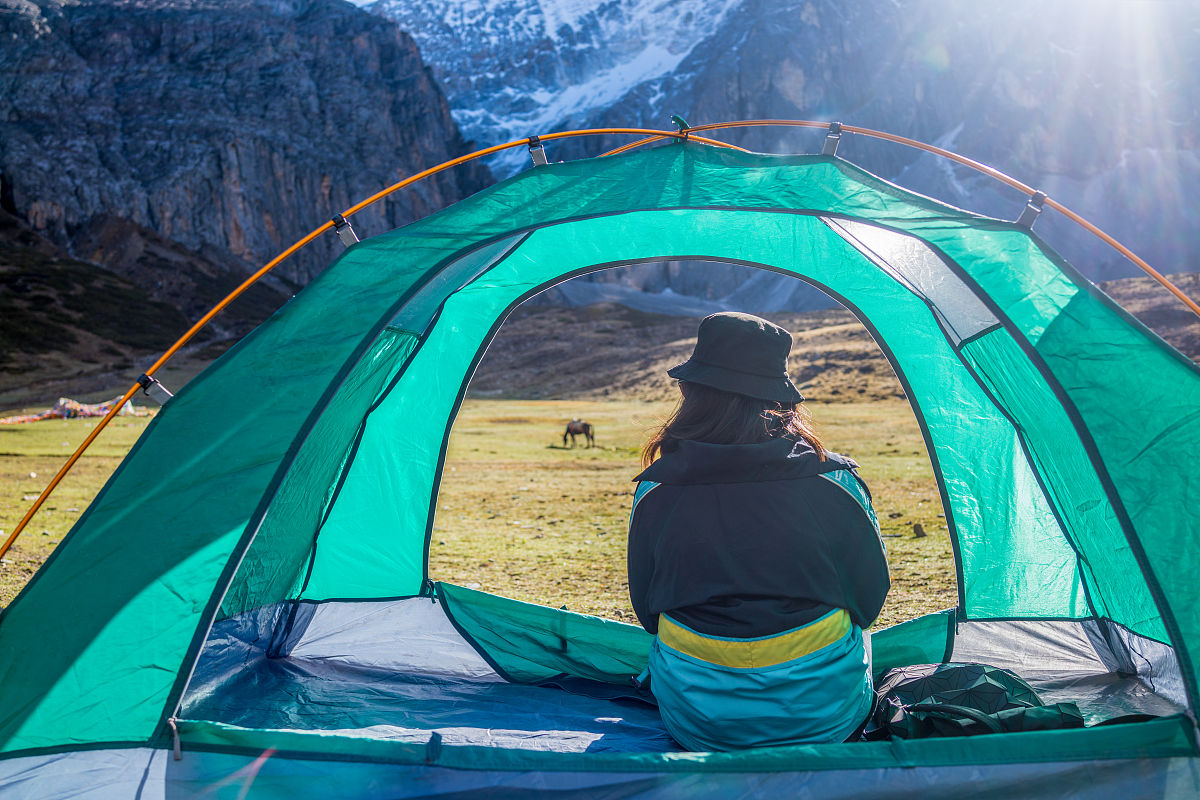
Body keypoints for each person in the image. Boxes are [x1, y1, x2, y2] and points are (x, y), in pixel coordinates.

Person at [627, 311, 889, 751]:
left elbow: (646, 609)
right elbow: (870, 598)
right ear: (782, 399)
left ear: (690, 392)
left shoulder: (657, 486)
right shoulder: (835, 482)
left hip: (699, 724)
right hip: (825, 719)